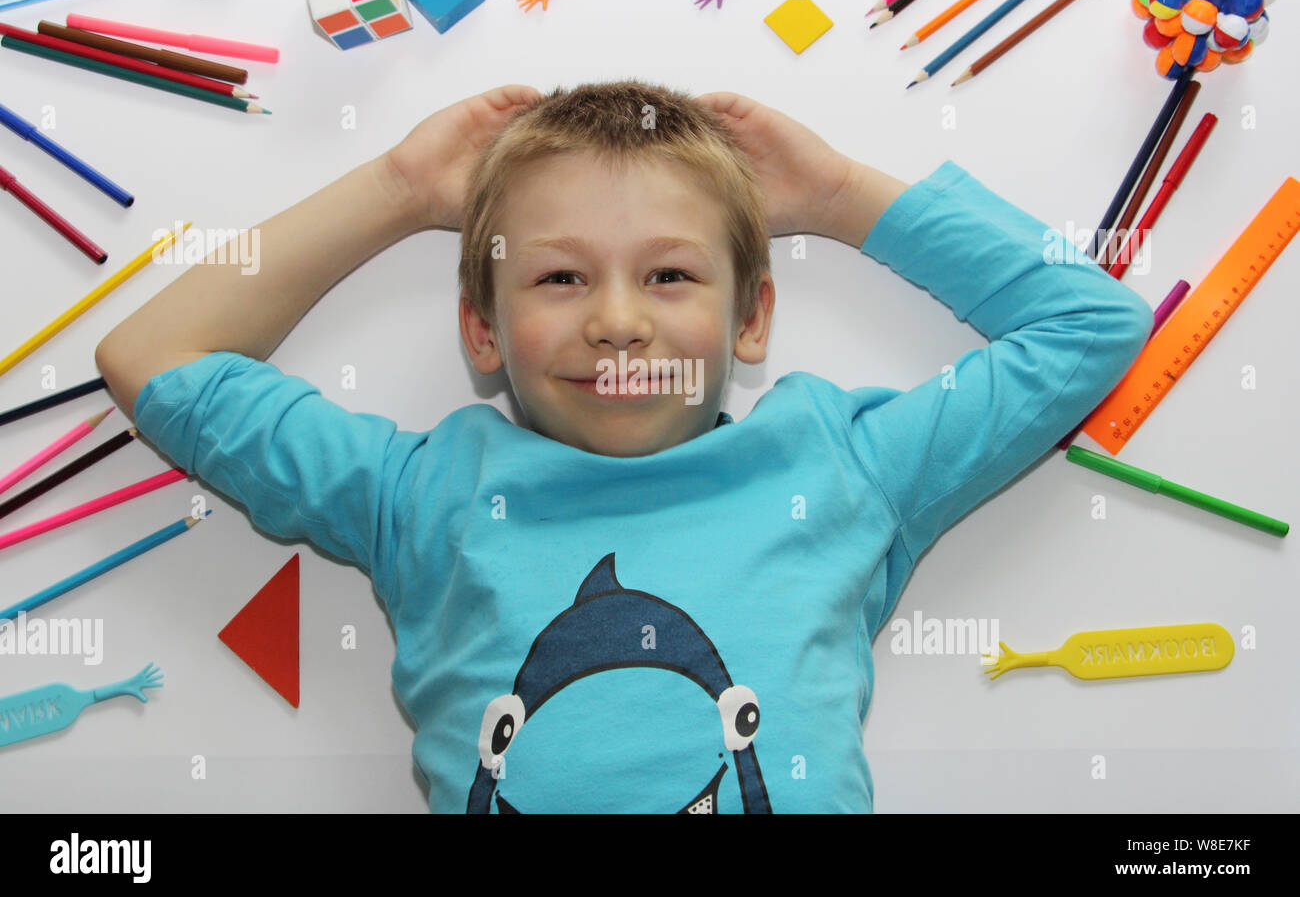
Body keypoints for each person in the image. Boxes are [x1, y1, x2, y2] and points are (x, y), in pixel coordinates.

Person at [95, 80, 1153, 813]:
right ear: (480, 329)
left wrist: (835, 196)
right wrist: (399, 190)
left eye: (669, 275)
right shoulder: (421, 494)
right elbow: (152, 353)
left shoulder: (836, 464)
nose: (615, 320)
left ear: (751, 322)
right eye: (559, 277)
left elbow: (1091, 325)